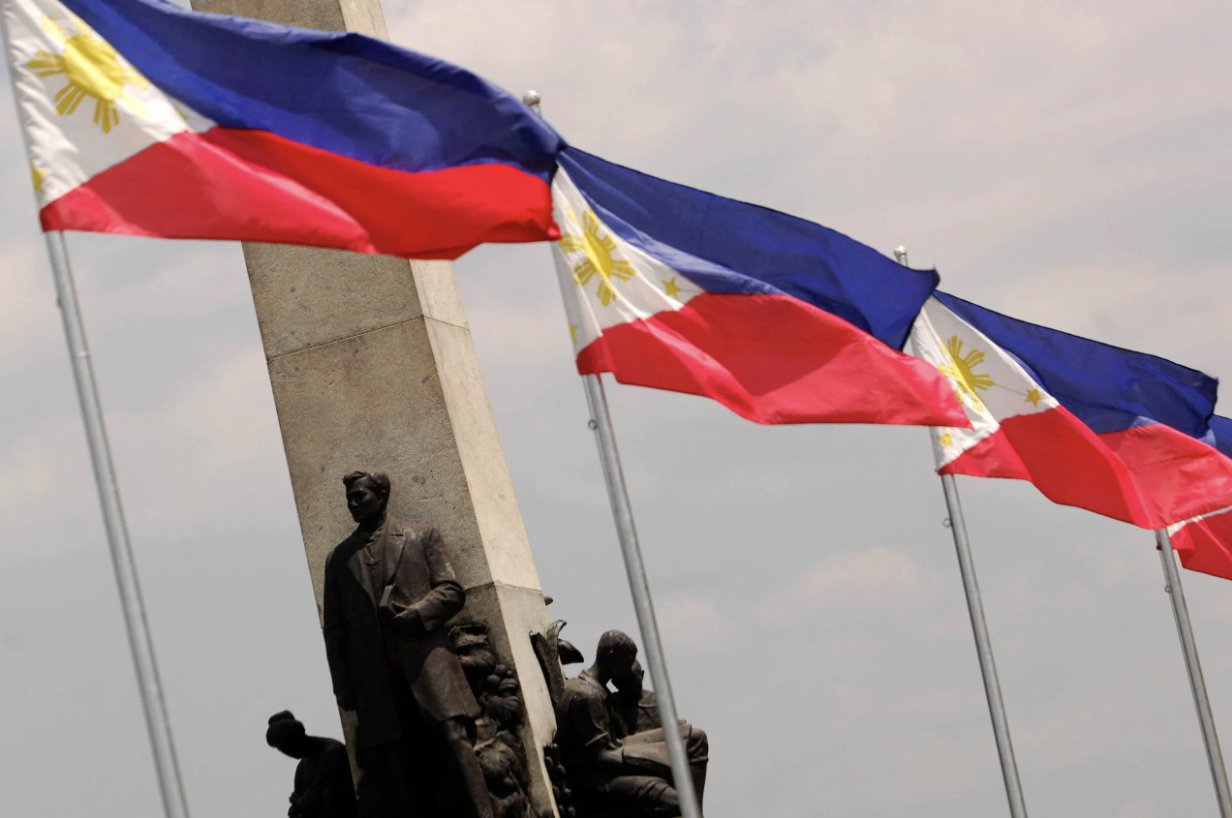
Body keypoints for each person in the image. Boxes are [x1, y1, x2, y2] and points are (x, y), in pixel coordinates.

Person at [322, 471, 494, 818]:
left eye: (360, 496)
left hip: (426, 661)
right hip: (374, 677)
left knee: (452, 737)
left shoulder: (421, 535)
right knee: (396, 761)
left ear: (382, 497)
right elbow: (335, 630)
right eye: (349, 498)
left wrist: (416, 614)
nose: (352, 504)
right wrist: (342, 685)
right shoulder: (338, 559)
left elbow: (451, 590)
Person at [555, 631, 705, 817]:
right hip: (592, 781)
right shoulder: (586, 696)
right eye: (628, 660)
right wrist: (658, 763)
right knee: (680, 802)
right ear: (613, 658)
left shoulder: (598, 690)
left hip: (613, 752)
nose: (631, 666)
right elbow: (601, 756)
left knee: (694, 738)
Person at [265, 710, 357, 818]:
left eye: (288, 746)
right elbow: (295, 809)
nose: (288, 752)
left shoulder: (333, 755)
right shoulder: (302, 767)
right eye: (282, 750)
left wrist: (301, 803)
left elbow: (333, 805)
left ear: (297, 737)